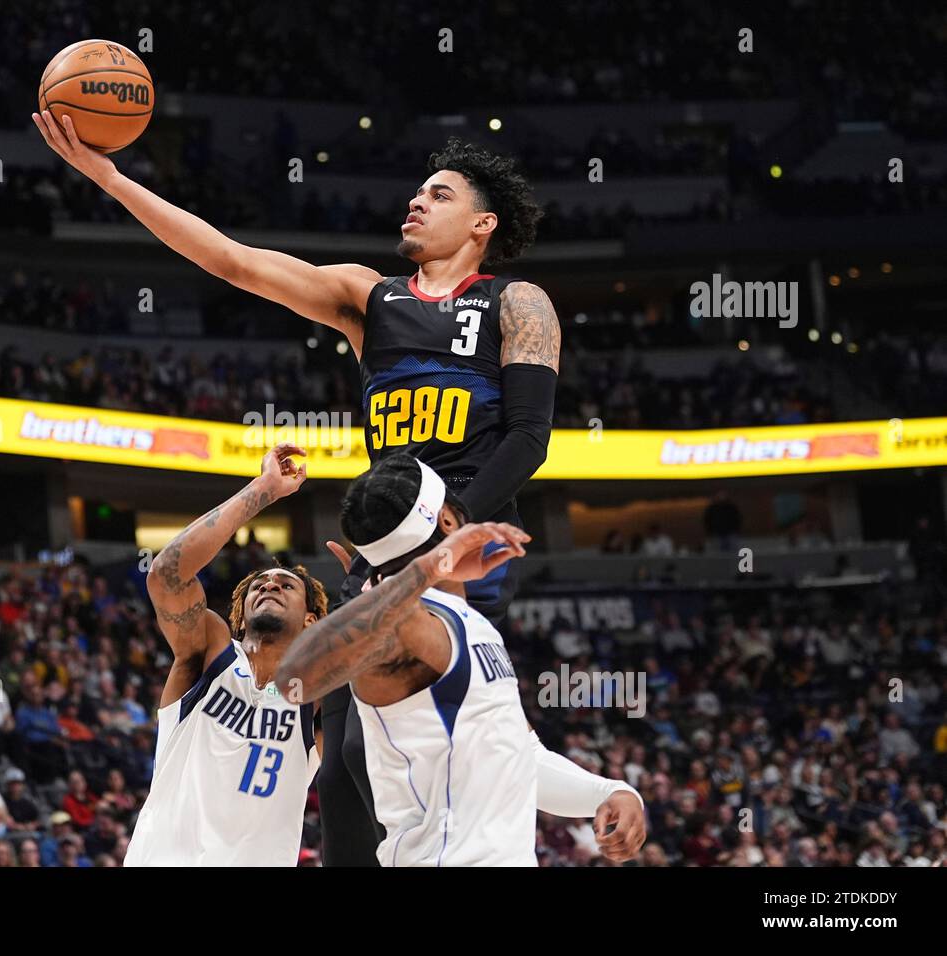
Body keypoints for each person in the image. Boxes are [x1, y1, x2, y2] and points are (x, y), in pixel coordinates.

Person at [35, 117, 559, 865]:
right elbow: (232, 262)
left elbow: (530, 438)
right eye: (415, 191)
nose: (414, 203)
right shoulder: (367, 298)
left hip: (465, 554)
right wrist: (110, 179)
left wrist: (460, 521)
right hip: (382, 554)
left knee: (443, 758)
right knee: (345, 757)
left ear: (483, 222)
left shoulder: (517, 302)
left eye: (437, 194)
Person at [277, 455, 645, 866]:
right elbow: (295, 677)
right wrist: (419, 572)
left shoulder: (462, 622)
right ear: (449, 521)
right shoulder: (409, 625)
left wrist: (609, 792)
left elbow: (519, 755)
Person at [123, 445, 323, 867]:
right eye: (259, 584)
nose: (269, 585)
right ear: (240, 610)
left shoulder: (317, 697)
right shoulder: (210, 652)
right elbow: (167, 575)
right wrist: (263, 489)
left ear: (310, 620)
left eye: (287, 585)